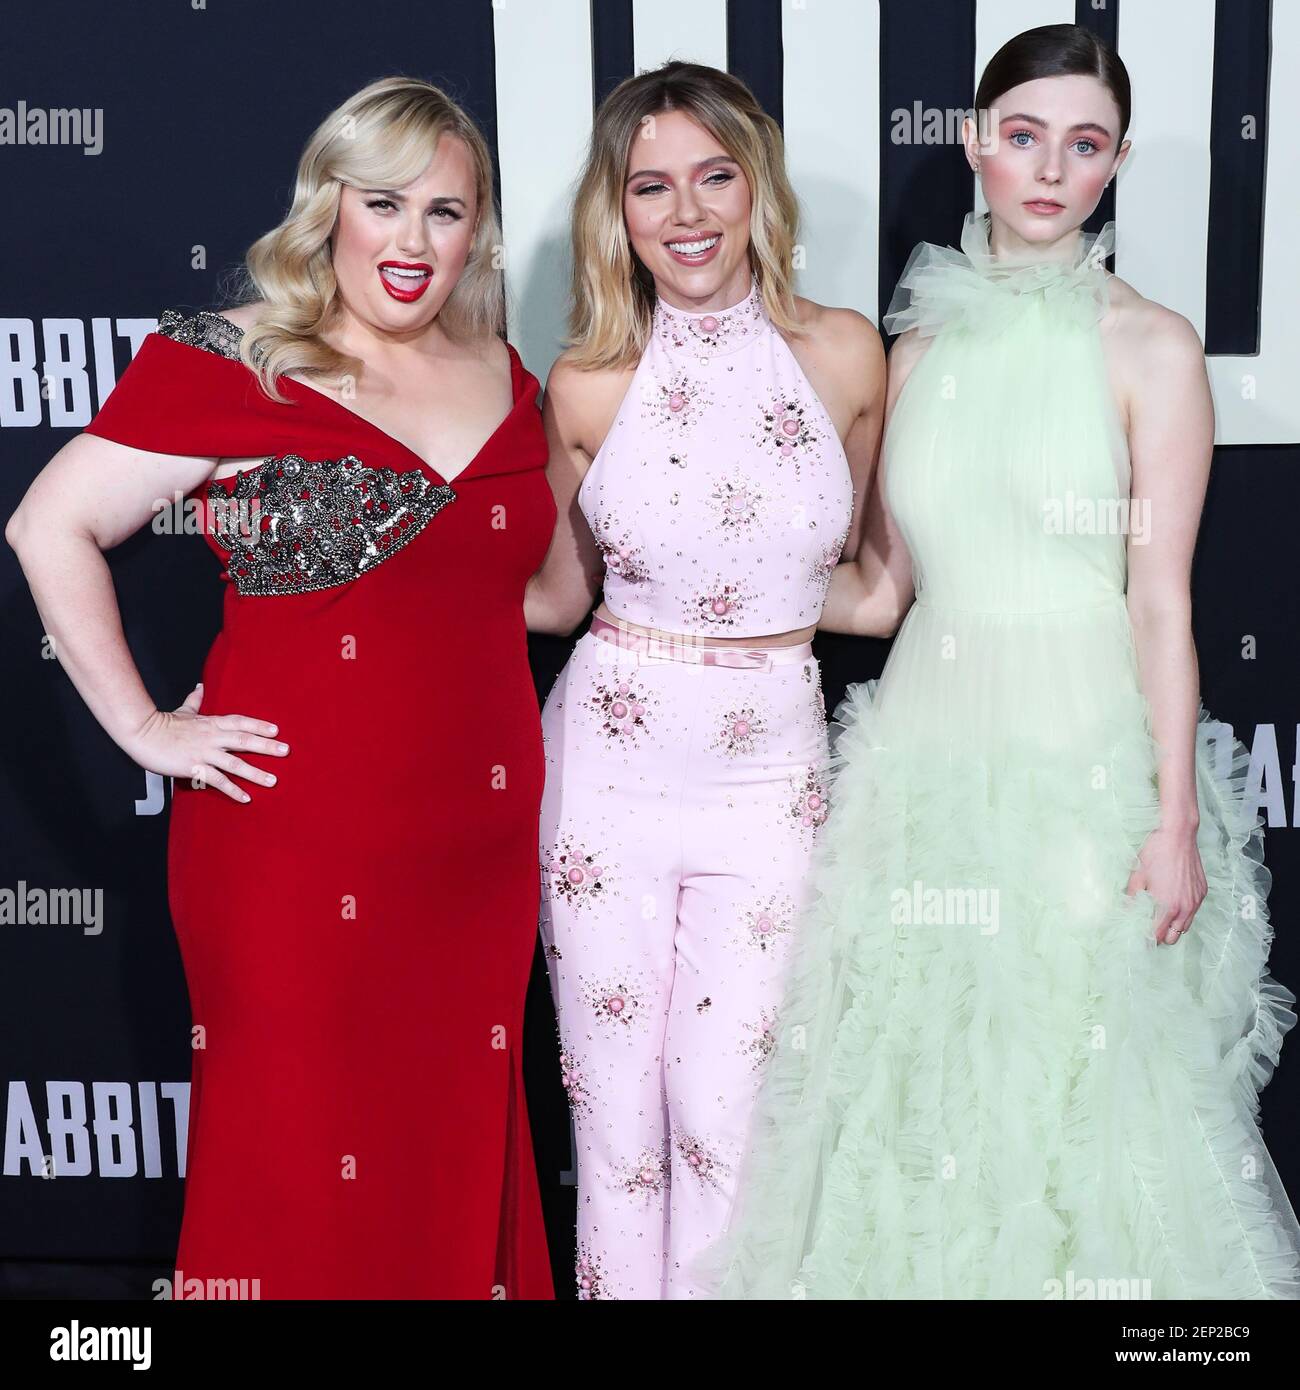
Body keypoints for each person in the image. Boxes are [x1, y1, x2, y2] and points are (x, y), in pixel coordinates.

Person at [692, 24, 1300, 1299]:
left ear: (1115, 163)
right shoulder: (913, 354)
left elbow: (1159, 598)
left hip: (1079, 759)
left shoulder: (1150, 346)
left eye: (1082, 147)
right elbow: (883, 592)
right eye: (1022, 137)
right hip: (923, 755)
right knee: (920, 1093)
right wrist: (712, 574)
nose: (1047, 169)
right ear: (973, 144)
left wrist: (1174, 813)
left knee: (1073, 1100)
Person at [5, 76, 556, 1300]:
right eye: (385, 203)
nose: (413, 242)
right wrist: (146, 728)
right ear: (330, 208)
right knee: (299, 1149)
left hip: (473, 855)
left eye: (446, 212)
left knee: (451, 1134)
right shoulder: (238, 357)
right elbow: (51, 525)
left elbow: (543, 592)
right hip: (291, 843)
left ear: (479, 232)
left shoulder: (503, 370)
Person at [524, 60, 886, 1298]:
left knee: (730, 1115)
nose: (686, 214)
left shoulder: (845, 356)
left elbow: (861, 584)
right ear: (614, 214)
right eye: (651, 187)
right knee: (616, 1134)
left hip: (772, 771)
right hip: (606, 779)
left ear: (758, 189)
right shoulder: (583, 383)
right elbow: (554, 598)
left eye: (714, 177)